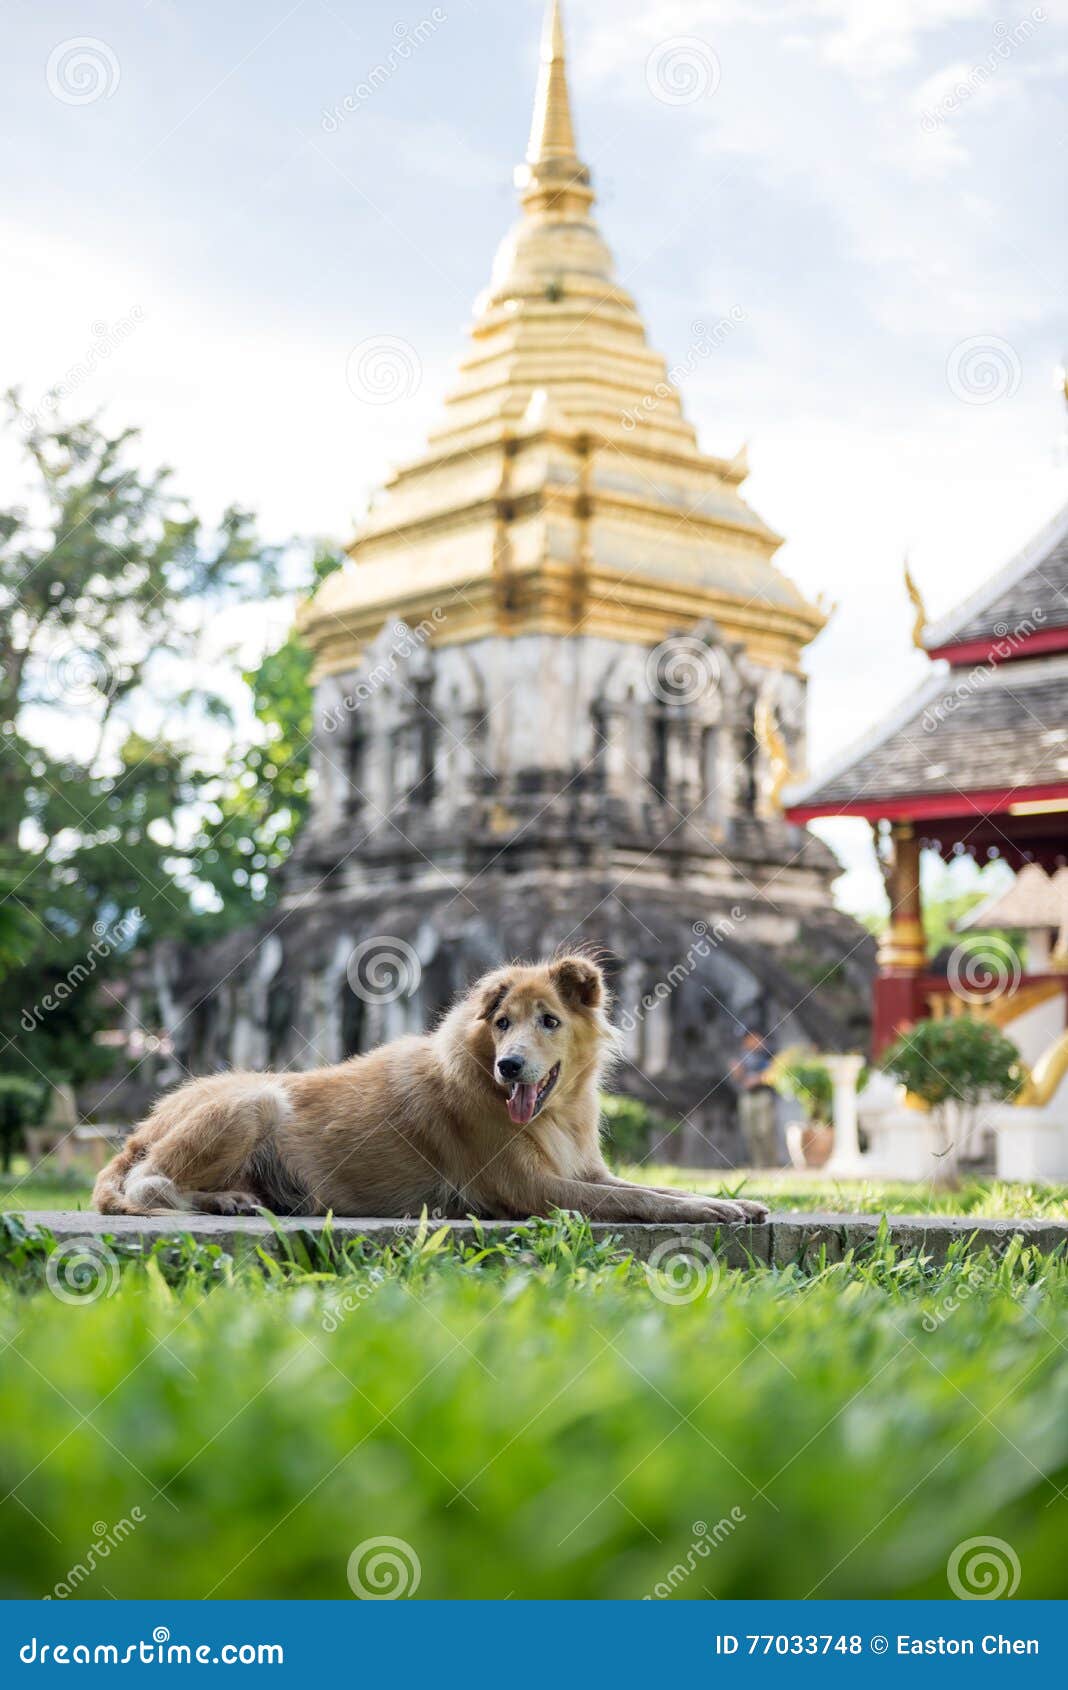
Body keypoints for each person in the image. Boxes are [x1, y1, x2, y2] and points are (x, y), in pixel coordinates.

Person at [730, 1029, 778, 1167]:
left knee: (765, 1131)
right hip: (747, 1096)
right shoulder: (742, 1055)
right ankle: (758, 1164)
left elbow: (774, 1073)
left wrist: (759, 1079)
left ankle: (771, 1164)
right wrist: (737, 1072)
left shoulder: (768, 1054)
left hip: (763, 1095)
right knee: (750, 1132)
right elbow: (737, 1076)